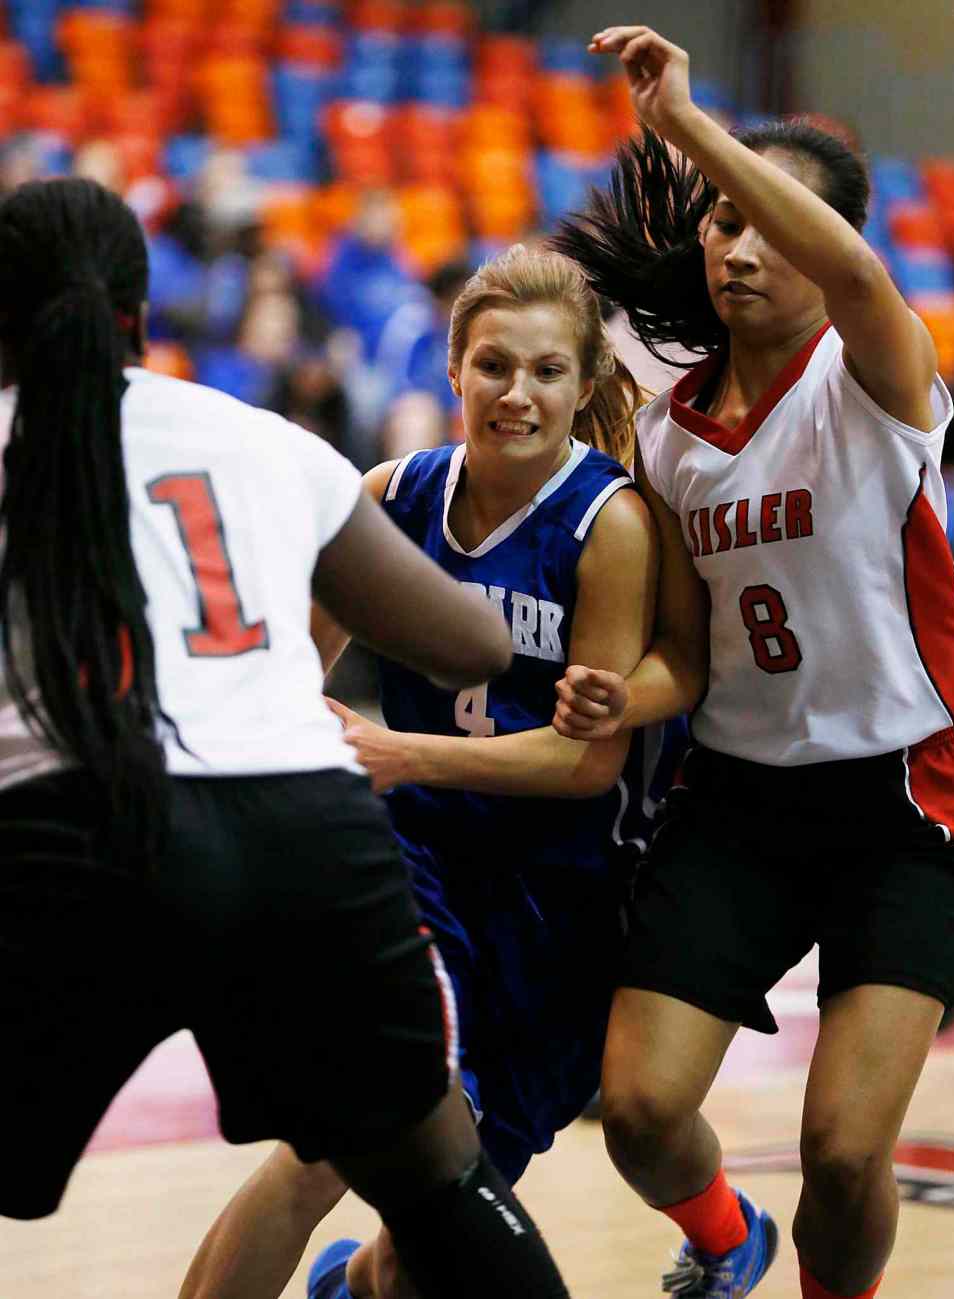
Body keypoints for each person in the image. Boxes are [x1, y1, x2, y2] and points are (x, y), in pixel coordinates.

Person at [0, 176, 585, 1299]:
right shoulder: (259, 438)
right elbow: (468, 642)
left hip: (75, 828)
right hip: (303, 836)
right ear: (140, 315)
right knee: (438, 1182)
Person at [550, 25, 954, 1299]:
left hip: (900, 801)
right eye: (721, 222)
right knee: (638, 1112)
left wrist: (686, 128)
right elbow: (685, 659)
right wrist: (619, 692)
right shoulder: (666, 435)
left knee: (845, 1154)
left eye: (766, 222)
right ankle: (725, 1237)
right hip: (737, 801)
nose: (738, 248)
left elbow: (855, 271)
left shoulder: (873, 373)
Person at [177, 245, 687, 1299]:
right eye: (493, 365)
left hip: (559, 913)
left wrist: (400, 753)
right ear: (454, 368)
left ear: (584, 383)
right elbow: (288, 672)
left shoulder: (611, 525)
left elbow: (584, 763)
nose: (516, 393)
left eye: (546, 371)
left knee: (423, 1250)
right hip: (414, 868)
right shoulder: (391, 493)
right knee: (324, 1150)